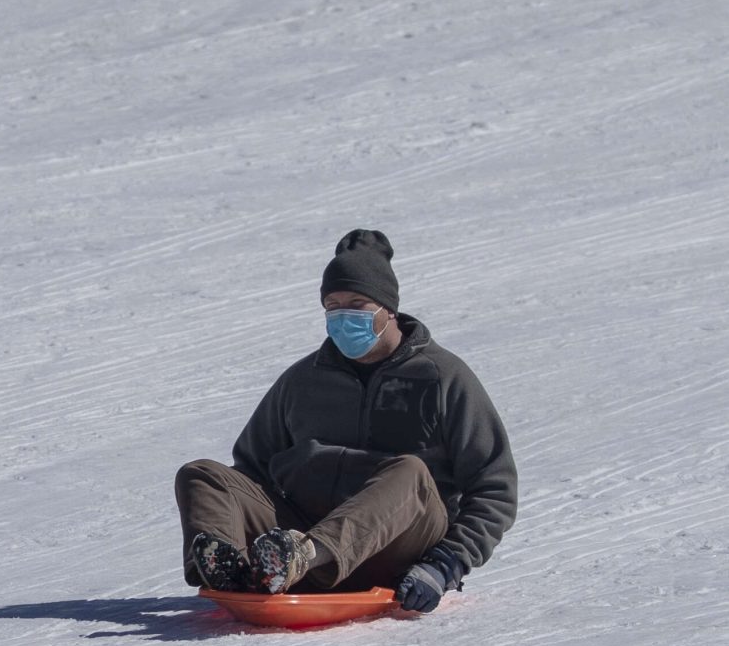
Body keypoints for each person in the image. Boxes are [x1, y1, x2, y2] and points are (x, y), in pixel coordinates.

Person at [175, 228, 517, 611]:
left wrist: (445, 564)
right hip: (301, 543)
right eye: (333, 307)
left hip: (399, 547)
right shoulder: (303, 381)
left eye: (357, 304)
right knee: (202, 474)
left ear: (388, 310)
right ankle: (231, 570)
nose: (343, 317)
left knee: (409, 472)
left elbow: (494, 487)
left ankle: (303, 556)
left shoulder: (442, 377)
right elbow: (252, 471)